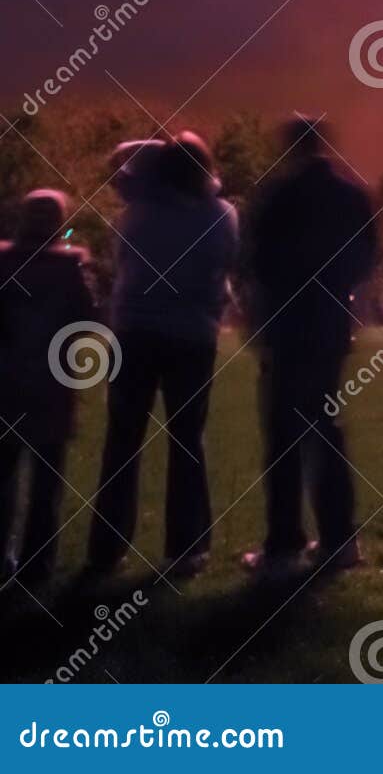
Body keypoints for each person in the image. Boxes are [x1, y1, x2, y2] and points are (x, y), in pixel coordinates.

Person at [87, 133, 238, 578]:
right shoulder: (224, 216)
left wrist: (149, 150)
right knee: (187, 440)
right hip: (193, 336)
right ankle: (188, 545)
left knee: (122, 441)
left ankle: (107, 547)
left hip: (136, 331)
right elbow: (222, 271)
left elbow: (119, 161)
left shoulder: (139, 210)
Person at [241, 116, 377, 575]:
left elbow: (256, 260)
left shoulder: (278, 195)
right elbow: (365, 256)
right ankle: (341, 539)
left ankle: (284, 544)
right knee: (326, 426)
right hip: (329, 323)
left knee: (282, 435)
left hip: (288, 323)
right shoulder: (351, 194)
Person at [0, 191, 94, 586]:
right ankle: (39, 563)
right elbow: (88, 319)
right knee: (47, 480)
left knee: (3, 475)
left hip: (6, 382)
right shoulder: (71, 268)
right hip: (53, 384)